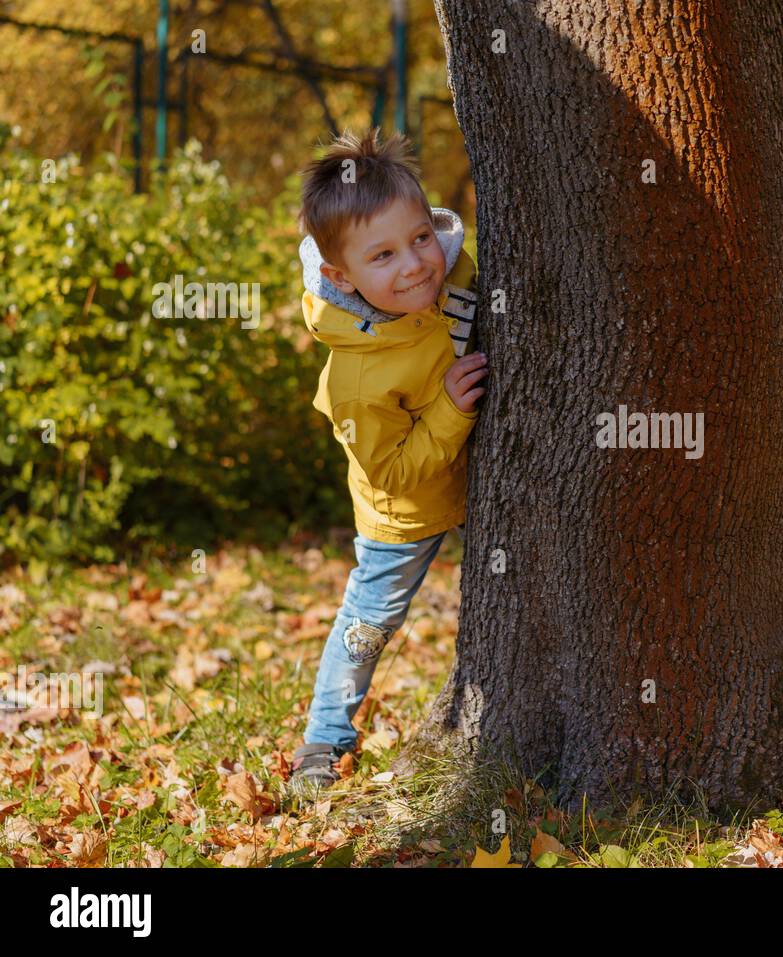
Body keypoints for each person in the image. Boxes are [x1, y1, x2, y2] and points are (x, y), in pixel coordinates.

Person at [289, 128, 487, 795]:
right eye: (383, 256)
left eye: (420, 238)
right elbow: (393, 471)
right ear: (342, 277)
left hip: (477, 484)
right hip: (402, 513)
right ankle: (324, 738)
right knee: (368, 625)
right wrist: (451, 413)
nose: (415, 266)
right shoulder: (357, 378)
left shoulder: (455, 266)